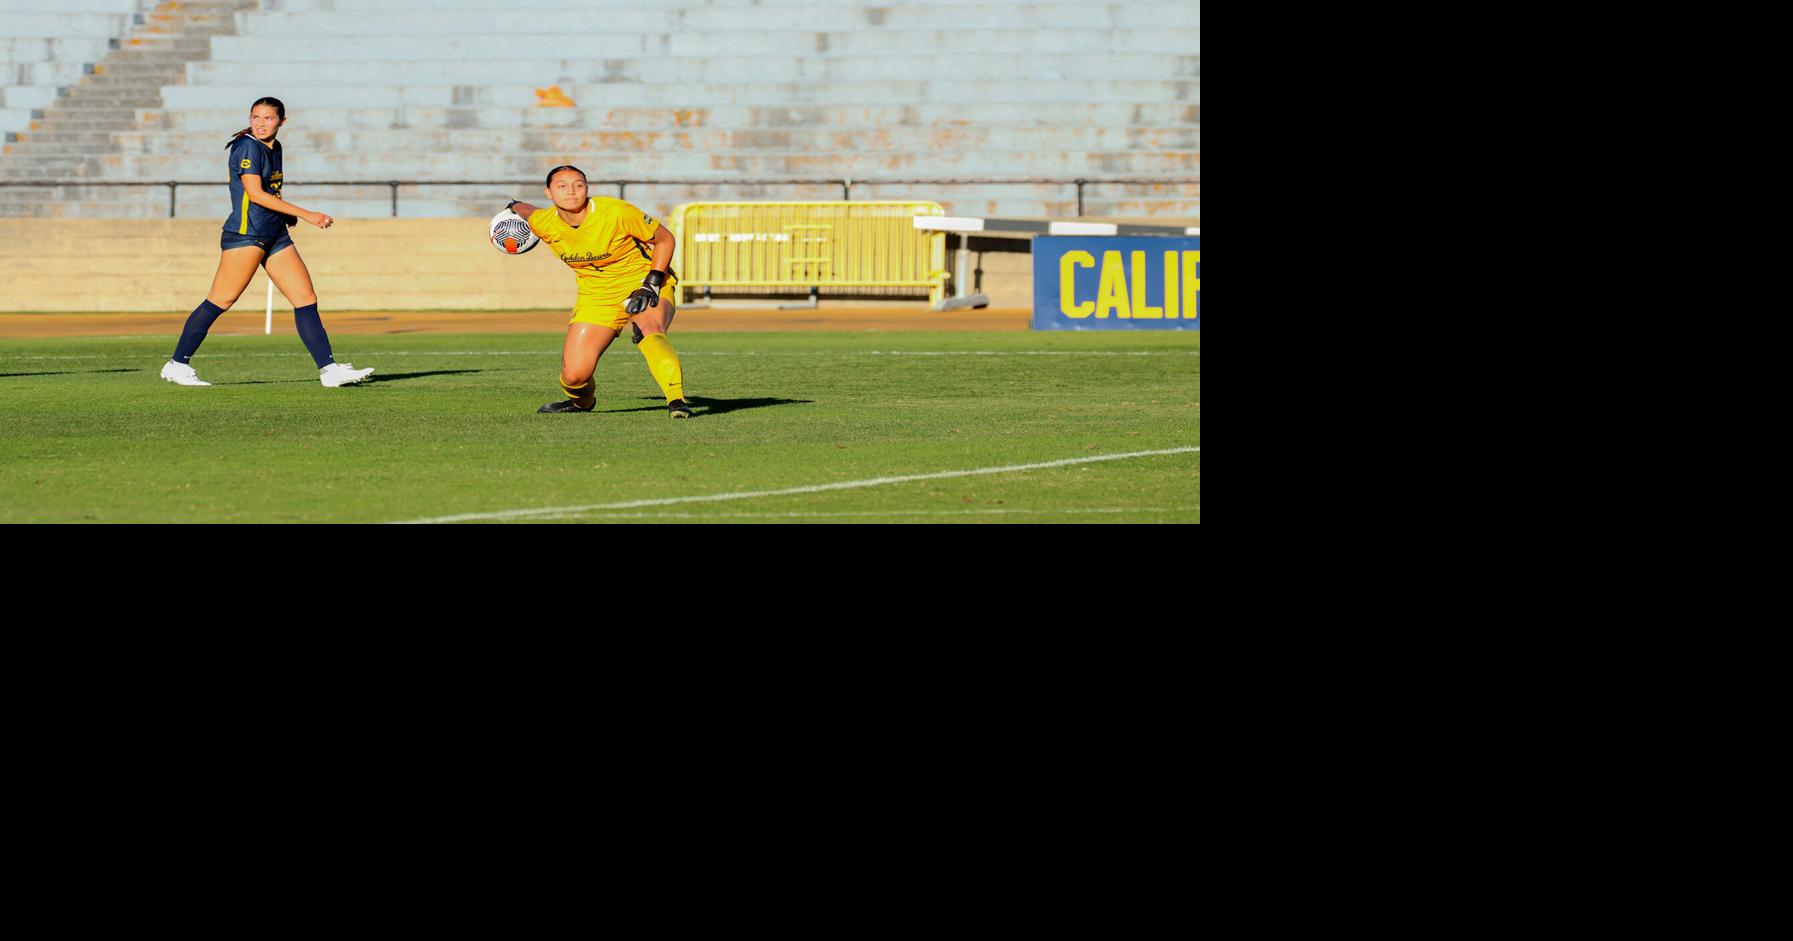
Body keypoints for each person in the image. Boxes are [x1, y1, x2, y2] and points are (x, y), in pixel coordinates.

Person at [159, 96, 373, 388]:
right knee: (221, 300)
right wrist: (306, 214)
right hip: (247, 234)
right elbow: (256, 194)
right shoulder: (247, 146)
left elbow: (271, 191)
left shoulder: (276, 146)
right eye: (255, 117)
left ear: (282, 121)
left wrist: (286, 215)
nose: (261, 124)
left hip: (275, 234)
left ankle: (330, 370)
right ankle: (177, 364)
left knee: (305, 299)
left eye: (268, 118)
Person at [506, 165, 691, 418]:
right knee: (574, 376)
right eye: (562, 186)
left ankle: (676, 400)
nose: (571, 191)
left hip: (642, 282)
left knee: (649, 329)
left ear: (587, 188)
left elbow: (665, 239)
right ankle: (581, 403)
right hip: (596, 295)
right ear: (548, 192)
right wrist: (514, 205)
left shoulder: (616, 212)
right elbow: (529, 212)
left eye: (578, 185)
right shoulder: (545, 223)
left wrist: (651, 283)